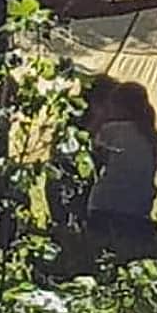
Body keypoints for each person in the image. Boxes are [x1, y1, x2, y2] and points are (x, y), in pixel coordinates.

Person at [86, 81, 157, 259]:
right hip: (139, 209)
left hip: (104, 207)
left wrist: (98, 120)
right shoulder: (154, 137)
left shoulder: (110, 131)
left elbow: (89, 160)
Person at [47, 74, 119, 233]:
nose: (113, 112)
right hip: (67, 198)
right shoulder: (72, 131)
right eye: (110, 104)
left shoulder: (103, 132)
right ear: (96, 103)